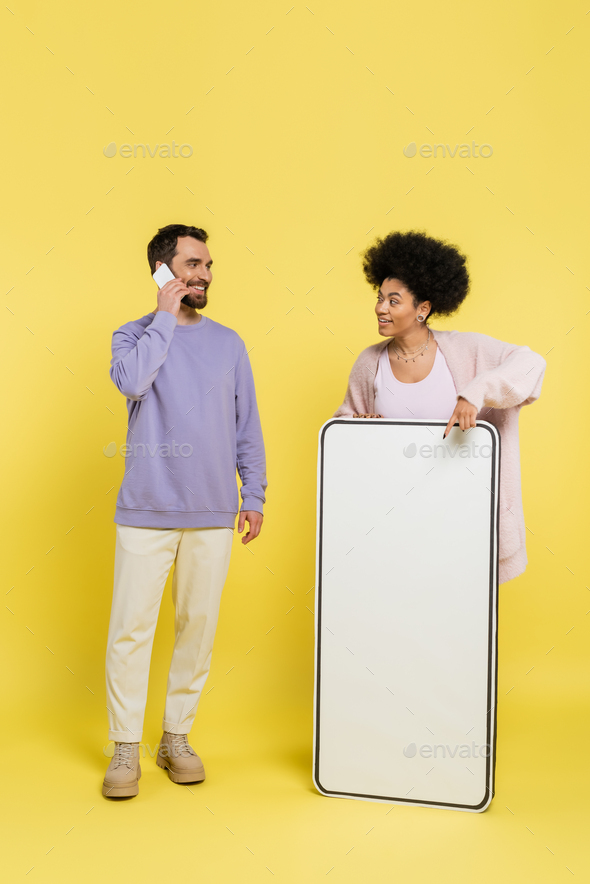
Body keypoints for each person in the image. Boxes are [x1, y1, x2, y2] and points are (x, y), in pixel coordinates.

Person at [102, 223, 267, 798]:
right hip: (146, 509)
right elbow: (132, 383)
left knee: (197, 628)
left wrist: (255, 494)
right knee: (130, 630)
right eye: (193, 264)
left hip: (212, 510)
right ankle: (125, 744)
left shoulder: (230, 343)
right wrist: (164, 319)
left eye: (208, 265)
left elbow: (247, 424)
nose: (204, 274)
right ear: (162, 270)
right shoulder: (133, 335)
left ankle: (175, 736)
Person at [333, 229, 546, 584]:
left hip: (461, 514)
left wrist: (476, 391)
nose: (381, 308)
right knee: (397, 599)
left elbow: (531, 364)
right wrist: (361, 426)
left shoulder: (466, 350)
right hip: (394, 518)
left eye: (393, 301)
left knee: (458, 602)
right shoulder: (369, 362)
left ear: (423, 309)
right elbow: (342, 429)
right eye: (380, 298)